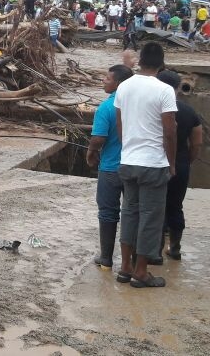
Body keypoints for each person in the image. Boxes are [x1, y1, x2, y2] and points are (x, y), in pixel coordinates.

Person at [113, 42, 176, 288]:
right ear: (162, 64)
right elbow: (170, 131)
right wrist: (171, 163)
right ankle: (141, 271)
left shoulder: (124, 87)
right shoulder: (164, 90)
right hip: (153, 163)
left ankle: (125, 266)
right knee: (150, 218)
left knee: (129, 214)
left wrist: (127, 147)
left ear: (140, 61)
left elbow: (120, 123)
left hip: (128, 160)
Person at [87, 64, 134, 269]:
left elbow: (98, 138)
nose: (103, 81)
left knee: (107, 212)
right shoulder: (138, 104)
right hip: (136, 166)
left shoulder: (106, 107)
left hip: (110, 169)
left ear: (119, 83)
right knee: (133, 212)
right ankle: (132, 260)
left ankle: (106, 258)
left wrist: (91, 152)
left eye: (107, 78)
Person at [156, 70, 202, 262]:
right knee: (175, 206)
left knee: (154, 208)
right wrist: (187, 160)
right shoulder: (188, 111)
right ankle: (175, 247)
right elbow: (197, 142)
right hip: (180, 164)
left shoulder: (151, 108)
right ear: (177, 89)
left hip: (154, 162)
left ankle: (154, 249)